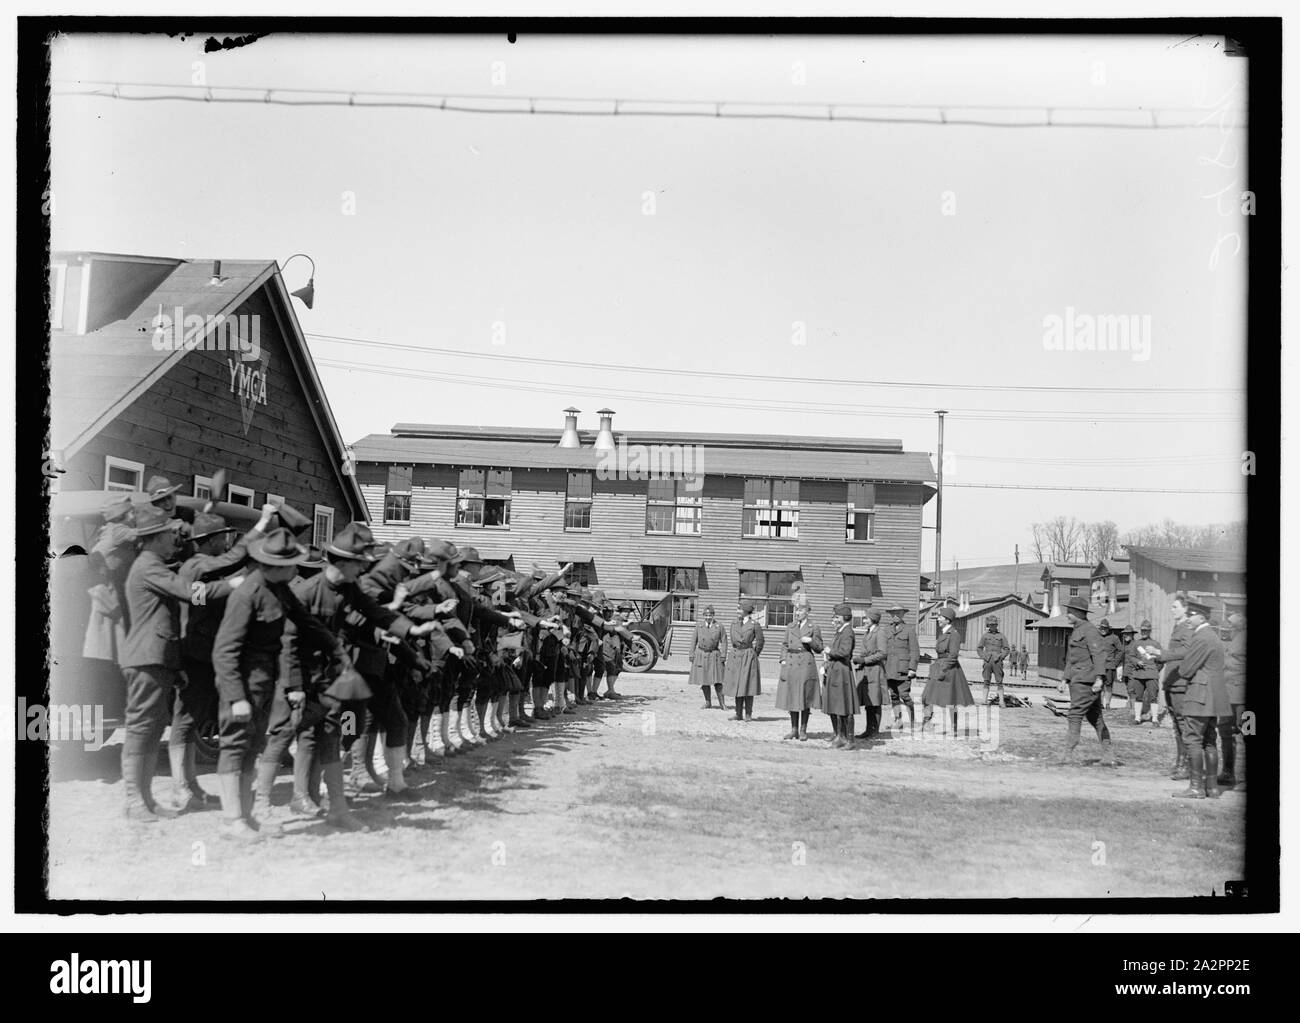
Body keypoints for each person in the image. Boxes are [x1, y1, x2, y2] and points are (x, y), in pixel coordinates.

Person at [212, 528, 362, 839]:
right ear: (275, 566)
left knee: (252, 746)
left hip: (265, 680)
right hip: (242, 682)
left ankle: (247, 817)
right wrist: (235, 696)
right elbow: (224, 650)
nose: (298, 569)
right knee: (234, 748)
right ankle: (231, 821)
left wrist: (336, 650)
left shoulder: (280, 589)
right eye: (292, 563)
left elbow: (308, 623)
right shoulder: (247, 594)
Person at [118, 505, 239, 823]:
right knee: (141, 730)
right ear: (154, 537)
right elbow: (191, 593)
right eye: (170, 533)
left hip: (157, 657)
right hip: (147, 657)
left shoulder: (154, 564)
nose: (176, 537)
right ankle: (134, 801)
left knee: (152, 728)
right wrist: (235, 585)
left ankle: (144, 799)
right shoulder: (149, 567)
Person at [170, 505, 273, 810]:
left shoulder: (202, 565)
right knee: (185, 720)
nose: (226, 543)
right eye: (223, 538)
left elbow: (232, 564)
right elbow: (236, 558)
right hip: (195, 655)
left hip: (201, 653)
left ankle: (187, 784)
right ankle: (179, 787)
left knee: (190, 719)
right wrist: (264, 520)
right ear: (212, 540)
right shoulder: (198, 566)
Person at [1171, 598, 1231, 799]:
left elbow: (1186, 669)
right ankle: (1212, 788)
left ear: (1201, 617)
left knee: (1193, 740)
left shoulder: (1201, 637)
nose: (1188, 618)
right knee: (1209, 742)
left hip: (1199, 697)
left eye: (1191, 615)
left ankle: (1196, 787)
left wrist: (1183, 667)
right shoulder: (1213, 637)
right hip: (1214, 698)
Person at [1054, 596, 1115, 766]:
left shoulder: (1090, 631)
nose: (1066, 615)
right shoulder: (1077, 630)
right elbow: (1071, 659)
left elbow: (1099, 655)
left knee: (1074, 715)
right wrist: (1064, 679)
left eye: (1069, 612)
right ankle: (1109, 756)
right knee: (1095, 718)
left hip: (1086, 683)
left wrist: (1099, 679)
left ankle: (1067, 755)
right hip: (1078, 680)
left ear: (1077, 613)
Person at [1154, 596, 1195, 781]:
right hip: (1171, 682)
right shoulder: (1178, 627)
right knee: (1176, 726)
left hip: (1180, 683)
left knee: (1182, 724)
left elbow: (1187, 651)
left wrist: (1162, 654)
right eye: (1171, 607)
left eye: (1175, 607)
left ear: (1185, 609)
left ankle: (1186, 767)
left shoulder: (1186, 627)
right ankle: (1179, 764)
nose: (1172, 610)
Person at [774, 594, 822, 741]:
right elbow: (784, 644)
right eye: (796, 610)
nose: (797, 613)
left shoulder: (813, 627)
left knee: (804, 696)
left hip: (806, 664)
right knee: (792, 696)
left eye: (800, 610)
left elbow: (819, 648)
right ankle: (793, 729)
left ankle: (803, 730)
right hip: (790, 663)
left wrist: (811, 641)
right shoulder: (790, 626)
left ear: (807, 610)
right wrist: (782, 659)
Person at [923, 606, 975, 732]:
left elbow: (953, 656)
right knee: (926, 696)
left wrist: (943, 670)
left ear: (948, 619)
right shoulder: (942, 633)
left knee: (952, 699)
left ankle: (954, 726)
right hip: (938, 666)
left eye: (940, 617)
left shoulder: (954, 635)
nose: (938, 619)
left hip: (949, 670)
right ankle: (927, 722)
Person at [821, 603, 859, 749]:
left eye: (837, 617)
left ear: (844, 617)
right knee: (838, 705)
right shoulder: (841, 631)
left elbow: (845, 652)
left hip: (842, 671)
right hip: (836, 670)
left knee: (845, 706)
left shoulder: (847, 632)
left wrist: (829, 651)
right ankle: (840, 736)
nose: (835, 619)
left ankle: (850, 740)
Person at [722, 600, 765, 722]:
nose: (737, 611)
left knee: (747, 685)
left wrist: (754, 654)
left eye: (739, 609)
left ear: (746, 611)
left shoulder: (754, 625)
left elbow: (760, 641)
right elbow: (733, 640)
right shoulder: (734, 623)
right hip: (736, 656)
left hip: (748, 656)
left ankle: (748, 714)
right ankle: (738, 713)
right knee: (737, 685)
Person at [882, 603, 919, 733]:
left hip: (903, 669)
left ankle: (913, 721)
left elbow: (914, 651)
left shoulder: (909, 630)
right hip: (889, 668)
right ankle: (898, 720)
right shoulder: (886, 630)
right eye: (893, 614)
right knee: (893, 696)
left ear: (903, 614)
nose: (895, 616)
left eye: (898, 613)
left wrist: (912, 668)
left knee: (905, 695)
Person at [1220, 612, 1247, 792]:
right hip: (1228, 696)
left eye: (1231, 623)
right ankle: (1228, 773)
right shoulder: (1231, 640)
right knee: (1225, 732)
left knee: (1249, 733)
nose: (1227, 626)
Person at [853, 609, 888, 740]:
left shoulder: (880, 632)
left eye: (866, 618)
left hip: (875, 671)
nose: (864, 621)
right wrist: (858, 658)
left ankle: (874, 731)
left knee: (875, 701)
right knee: (869, 701)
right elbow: (866, 651)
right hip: (866, 671)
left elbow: (882, 653)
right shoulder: (868, 632)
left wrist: (865, 660)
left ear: (873, 619)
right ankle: (868, 729)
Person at [689, 605, 729, 710]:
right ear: (704, 616)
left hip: (714, 655)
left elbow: (724, 641)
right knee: (704, 679)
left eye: (710, 615)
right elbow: (694, 641)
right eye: (706, 615)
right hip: (701, 654)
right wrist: (691, 654)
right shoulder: (699, 626)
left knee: (718, 680)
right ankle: (708, 702)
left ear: (713, 615)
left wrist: (724, 655)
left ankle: (722, 703)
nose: (708, 617)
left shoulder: (719, 626)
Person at [1122, 624, 1159, 725]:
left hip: (1152, 674)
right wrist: (1137, 662)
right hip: (1139, 674)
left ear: (1150, 631)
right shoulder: (1136, 644)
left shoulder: (1155, 644)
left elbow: (1160, 660)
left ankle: (1155, 719)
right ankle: (1137, 718)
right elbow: (1131, 656)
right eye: (1142, 631)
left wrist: (1155, 670)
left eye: (1146, 631)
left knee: (1153, 696)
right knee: (1138, 696)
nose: (1144, 632)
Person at [977, 616, 1010, 708]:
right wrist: (984, 656)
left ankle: (1001, 701)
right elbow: (979, 648)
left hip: (997, 661)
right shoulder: (985, 636)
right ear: (989, 625)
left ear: (997, 625)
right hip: (987, 661)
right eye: (991, 625)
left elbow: (1007, 649)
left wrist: (1000, 657)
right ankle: (984, 700)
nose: (993, 626)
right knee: (986, 680)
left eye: (994, 625)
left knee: (999, 681)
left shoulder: (1001, 636)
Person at [1097, 618, 1124, 710]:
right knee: (1099, 685)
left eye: (1105, 628)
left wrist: (1115, 662)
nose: (1103, 630)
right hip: (1099, 666)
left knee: (1108, 685)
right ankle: (1099, 704)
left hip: (1110, 666)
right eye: (1102, 628)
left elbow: (1121, 650)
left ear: (1108, 629)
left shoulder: (1114, 638)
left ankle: (1108, 704)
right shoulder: (1096, 637)